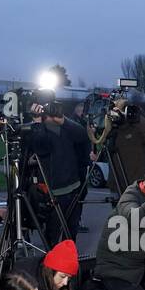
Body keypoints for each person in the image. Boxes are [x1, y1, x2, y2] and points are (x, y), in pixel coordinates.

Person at [27, 98, 91, 246]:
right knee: (53, 236)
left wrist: (63, 120)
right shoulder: (38, 129)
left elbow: (82, 136)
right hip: (52, 192)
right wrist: (37, 122)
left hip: (73, 188)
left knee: (71, 233)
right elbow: (41, 147)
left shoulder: (66, 127)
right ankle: (52, 267)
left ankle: (68, 265)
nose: (50, 112)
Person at [102, 99, 145, 194]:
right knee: (119, 208)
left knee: (135, 209)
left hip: (137, 182)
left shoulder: (140, 127)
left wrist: (134, 117)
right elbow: (104, 145)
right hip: (117, 182)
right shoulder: (114, 129)